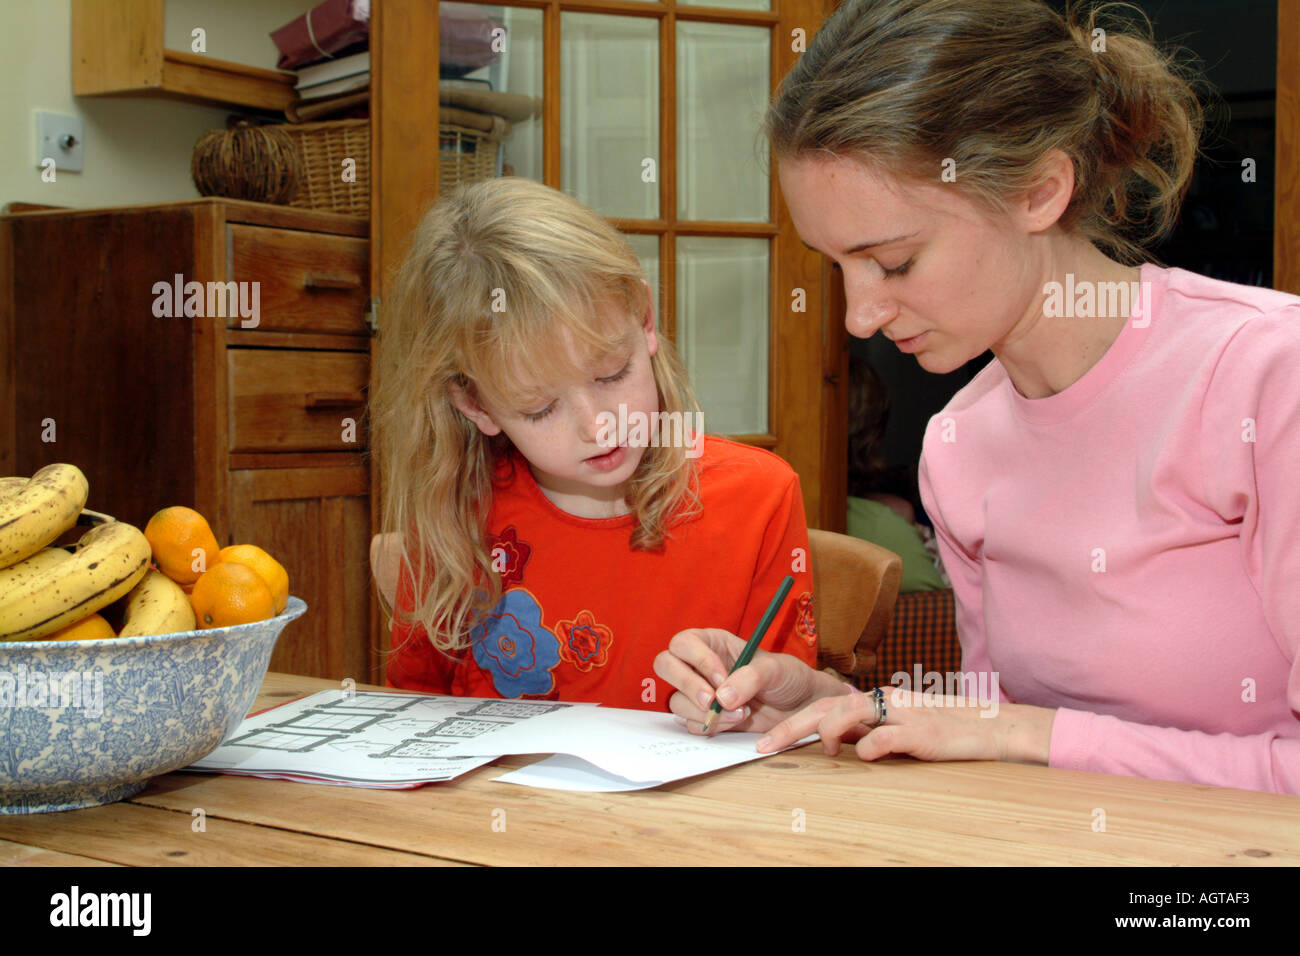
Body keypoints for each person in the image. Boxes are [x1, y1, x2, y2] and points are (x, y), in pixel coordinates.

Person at [655, 0, 1300, 794]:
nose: (859, 315)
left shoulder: (1268, 377)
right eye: (836, 266)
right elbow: (996, 730)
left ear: (1039, 190)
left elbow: (1025, 733)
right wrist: (843, 705)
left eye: (893, 262)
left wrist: (1022, 731)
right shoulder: (960, 443)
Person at [369, 176, 819, 710]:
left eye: (611, 373)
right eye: (540, 408)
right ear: (476, 406)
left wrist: (752, 711)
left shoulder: (759, 497)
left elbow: (788, 714)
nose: (598, 426)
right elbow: (410, 715)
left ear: (644, 319)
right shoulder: (453, 514)